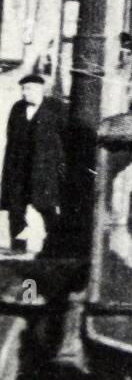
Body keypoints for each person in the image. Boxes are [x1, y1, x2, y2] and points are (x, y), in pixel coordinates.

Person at [1, 73, 67, 254]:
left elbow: (65, 138)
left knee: (46, 207)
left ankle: (56, 245)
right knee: (16, 209)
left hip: (44, 170)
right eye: (23, 88)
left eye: (28, 88)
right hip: (19, 168)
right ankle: (18, 248)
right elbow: (11, 137)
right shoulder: (18, 108)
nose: (24, 92)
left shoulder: (55, 108)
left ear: (40, 89)